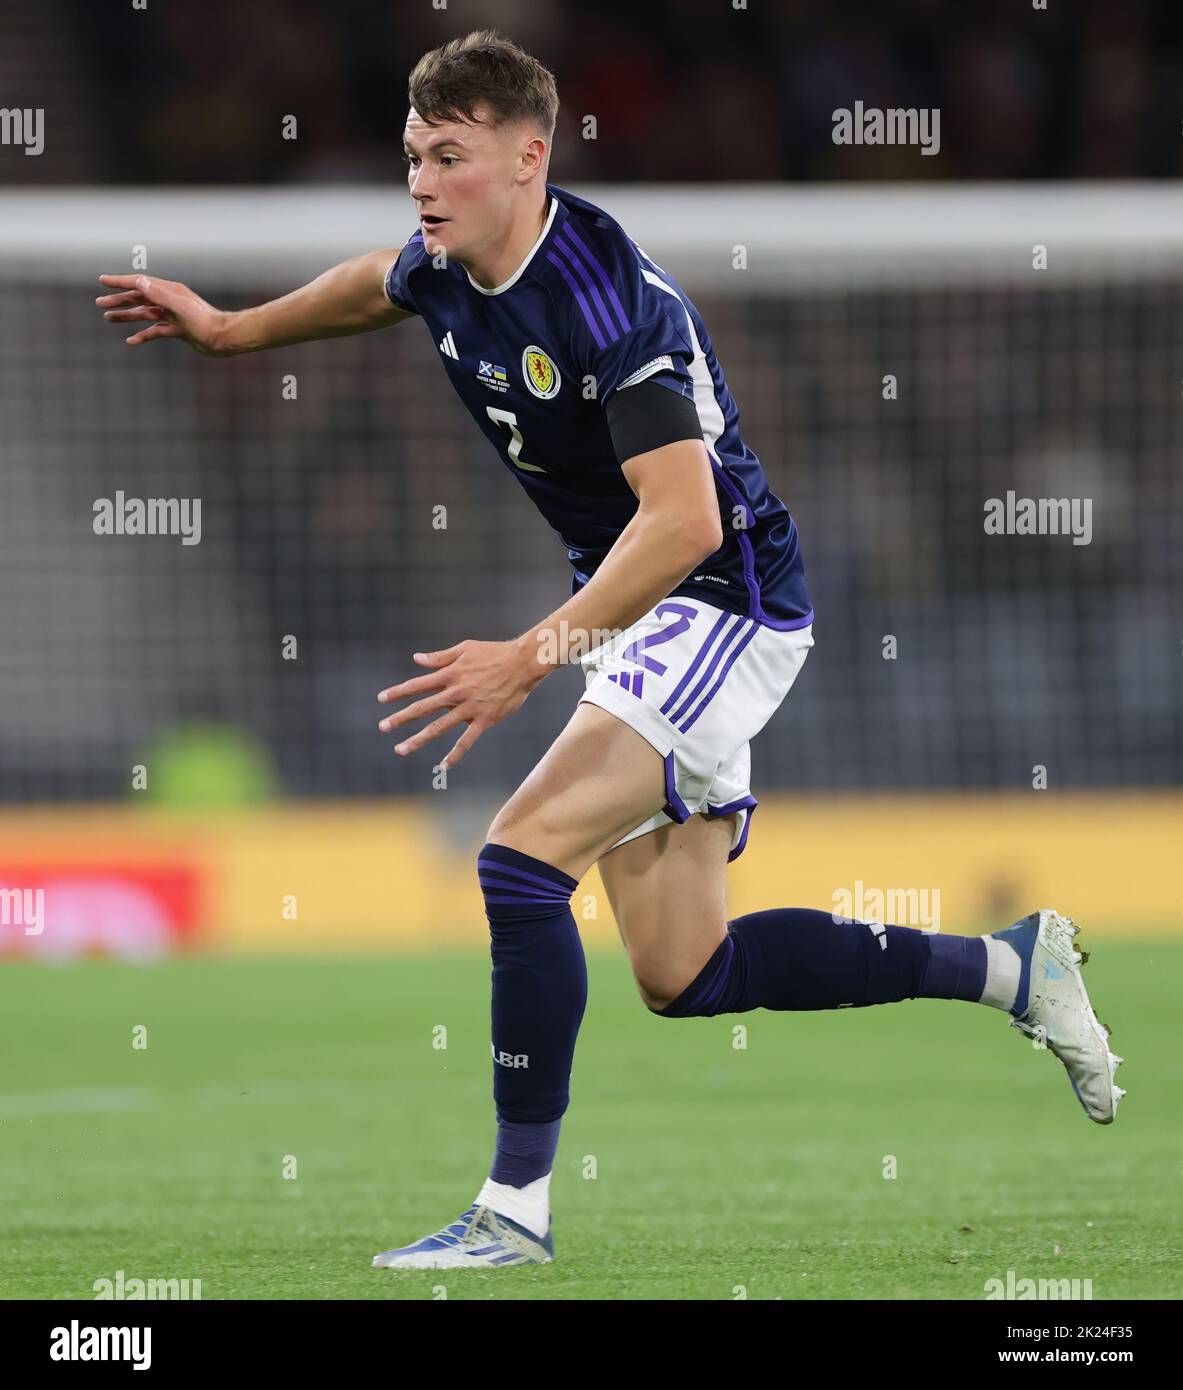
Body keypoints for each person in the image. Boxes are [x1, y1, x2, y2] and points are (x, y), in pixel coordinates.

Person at [96, 28, 1124, 1272]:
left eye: (451, 156)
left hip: (719, 600)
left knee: (519, 861)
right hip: (646, 606)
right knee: (684, 971)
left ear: (527, 159)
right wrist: (228, 331)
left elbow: (685, 518)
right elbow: (376, 283)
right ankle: (1009, 968)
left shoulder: (600, 296)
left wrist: (531, 654)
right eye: (415, 154)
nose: (423, 181)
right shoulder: (446, 261)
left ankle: (512, 1209)